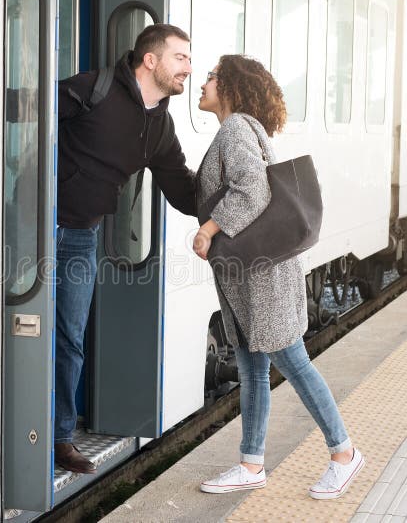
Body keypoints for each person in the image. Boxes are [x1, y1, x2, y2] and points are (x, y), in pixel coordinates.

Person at [193, 55, 364, 499]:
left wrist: (209, 228)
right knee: (252, 370)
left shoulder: (234, 129)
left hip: (262, 280)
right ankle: (251, 463)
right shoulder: (245, 129)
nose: (204, 82)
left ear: (229, 87)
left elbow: (252, 188)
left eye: (212, 77)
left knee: (294, 363)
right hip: (255, 275)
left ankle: (344, 453)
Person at [54, 24, 197, 474]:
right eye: (181, 57)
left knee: (68, 339)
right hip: (32, 228)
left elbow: (183, 190)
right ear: (150, 60)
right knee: (18, 328)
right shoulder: (93, 89)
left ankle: (57, 439)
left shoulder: (159, 126)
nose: (188, 68)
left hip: (80, 236)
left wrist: (234, 203)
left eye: (190, 60)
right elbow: (24, 115)